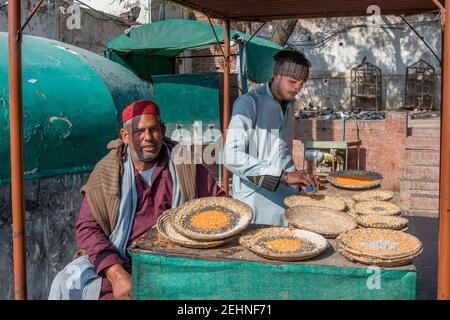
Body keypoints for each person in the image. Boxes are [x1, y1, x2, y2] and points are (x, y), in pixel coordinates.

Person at [49, 100, 225, 300]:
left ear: (163, 130)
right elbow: (88, 228)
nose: (148, 138)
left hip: (177, 264)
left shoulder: (186, 165)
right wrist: (115, 274)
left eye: (153, 130)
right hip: (122, 264)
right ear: (125, 136)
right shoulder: (107, 173)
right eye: (139, 131)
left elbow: (218, 206)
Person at [224, 49, 319, 226]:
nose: (297, 88)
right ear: (276, 75)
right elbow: (232, 157)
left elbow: (281, 153)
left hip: (286, 201)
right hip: (256, 203)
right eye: (292, 81)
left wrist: (299, 180)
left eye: (302, 83)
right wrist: (283, 176)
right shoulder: (248, 103)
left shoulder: (290, 106)